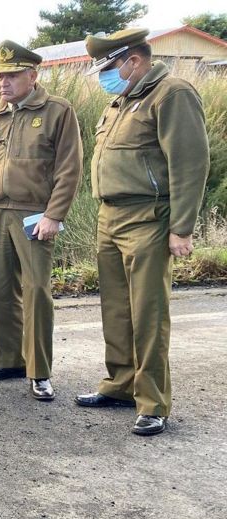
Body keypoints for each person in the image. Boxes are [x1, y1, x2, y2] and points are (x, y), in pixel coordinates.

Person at [74, 29, 209, 436]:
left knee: (148, 313)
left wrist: (181, 228)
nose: (104, 77)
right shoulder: (121, 102)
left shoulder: (171, 94)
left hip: (148, 217)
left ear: (133, 61)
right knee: (116, 309)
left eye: (109, 67)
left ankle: (152, 402)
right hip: (110, 216)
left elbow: (190, 163)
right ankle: (120, 384)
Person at [0, 40, 82, 401]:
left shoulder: (57, 111)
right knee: (1, 291)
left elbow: (69, 169)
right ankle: (10, 360)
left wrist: (54, 215)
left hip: (34, 215)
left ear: (32, 76)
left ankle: (39, 371)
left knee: (36, 291)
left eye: (12, 75)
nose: (3, 82)